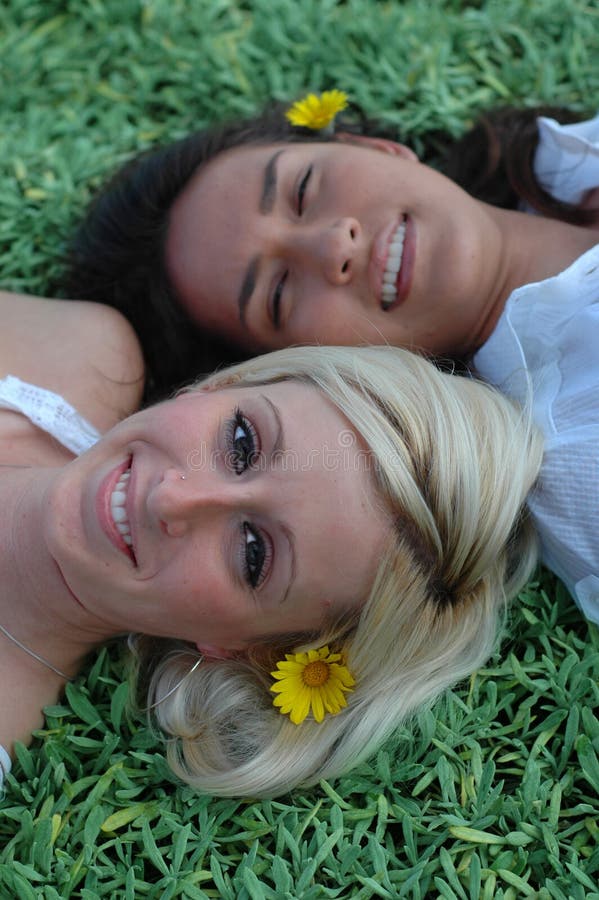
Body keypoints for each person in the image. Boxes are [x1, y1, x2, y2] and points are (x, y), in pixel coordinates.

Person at [64, 99, 599, 626]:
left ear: (372, 148)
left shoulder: (569, 155)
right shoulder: (574, 452)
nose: (332, 245)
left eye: (302, 190)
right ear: (310, 371)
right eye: (278, 294)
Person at [0, 290, 541, 796]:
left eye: (253, 554)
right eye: (241, 443)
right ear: (225, 385)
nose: (171, 500)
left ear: (243, 647)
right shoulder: (80, 349)